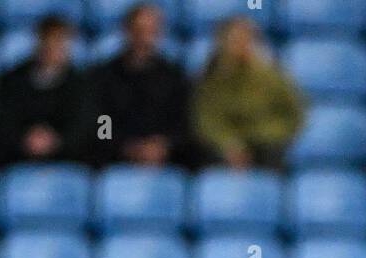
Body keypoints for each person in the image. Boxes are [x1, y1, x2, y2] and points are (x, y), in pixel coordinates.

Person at [190, 16, 305, 170]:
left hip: (265, 146)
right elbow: (206, 119)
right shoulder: (211, 78)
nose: (241, 45)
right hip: (223, 148)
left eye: (246, 39)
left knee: (273, 157)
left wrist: (263, 135)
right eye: (234, 40)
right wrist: (229, 143)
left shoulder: (271, 76)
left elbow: (293, 115)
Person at [87, 3, 189, 167]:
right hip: (115, 159)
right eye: (138, 29)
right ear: (126, 31)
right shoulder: (104, 76)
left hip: (165, 160)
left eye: (150, 30)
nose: (143, 36)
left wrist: (163, 145)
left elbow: (182, 121)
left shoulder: (174, 76)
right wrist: (126, 147)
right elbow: (101, 121)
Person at [0, 13, 90, 166]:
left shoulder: (81, 84)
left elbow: (84, 125)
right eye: (48, 41)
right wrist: (24, 139)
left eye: (59, 42)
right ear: (38, 42)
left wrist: (56, 141)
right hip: (16, 156)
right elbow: (2, 120)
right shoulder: (11, 80)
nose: (52, 49)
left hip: (65, 158)